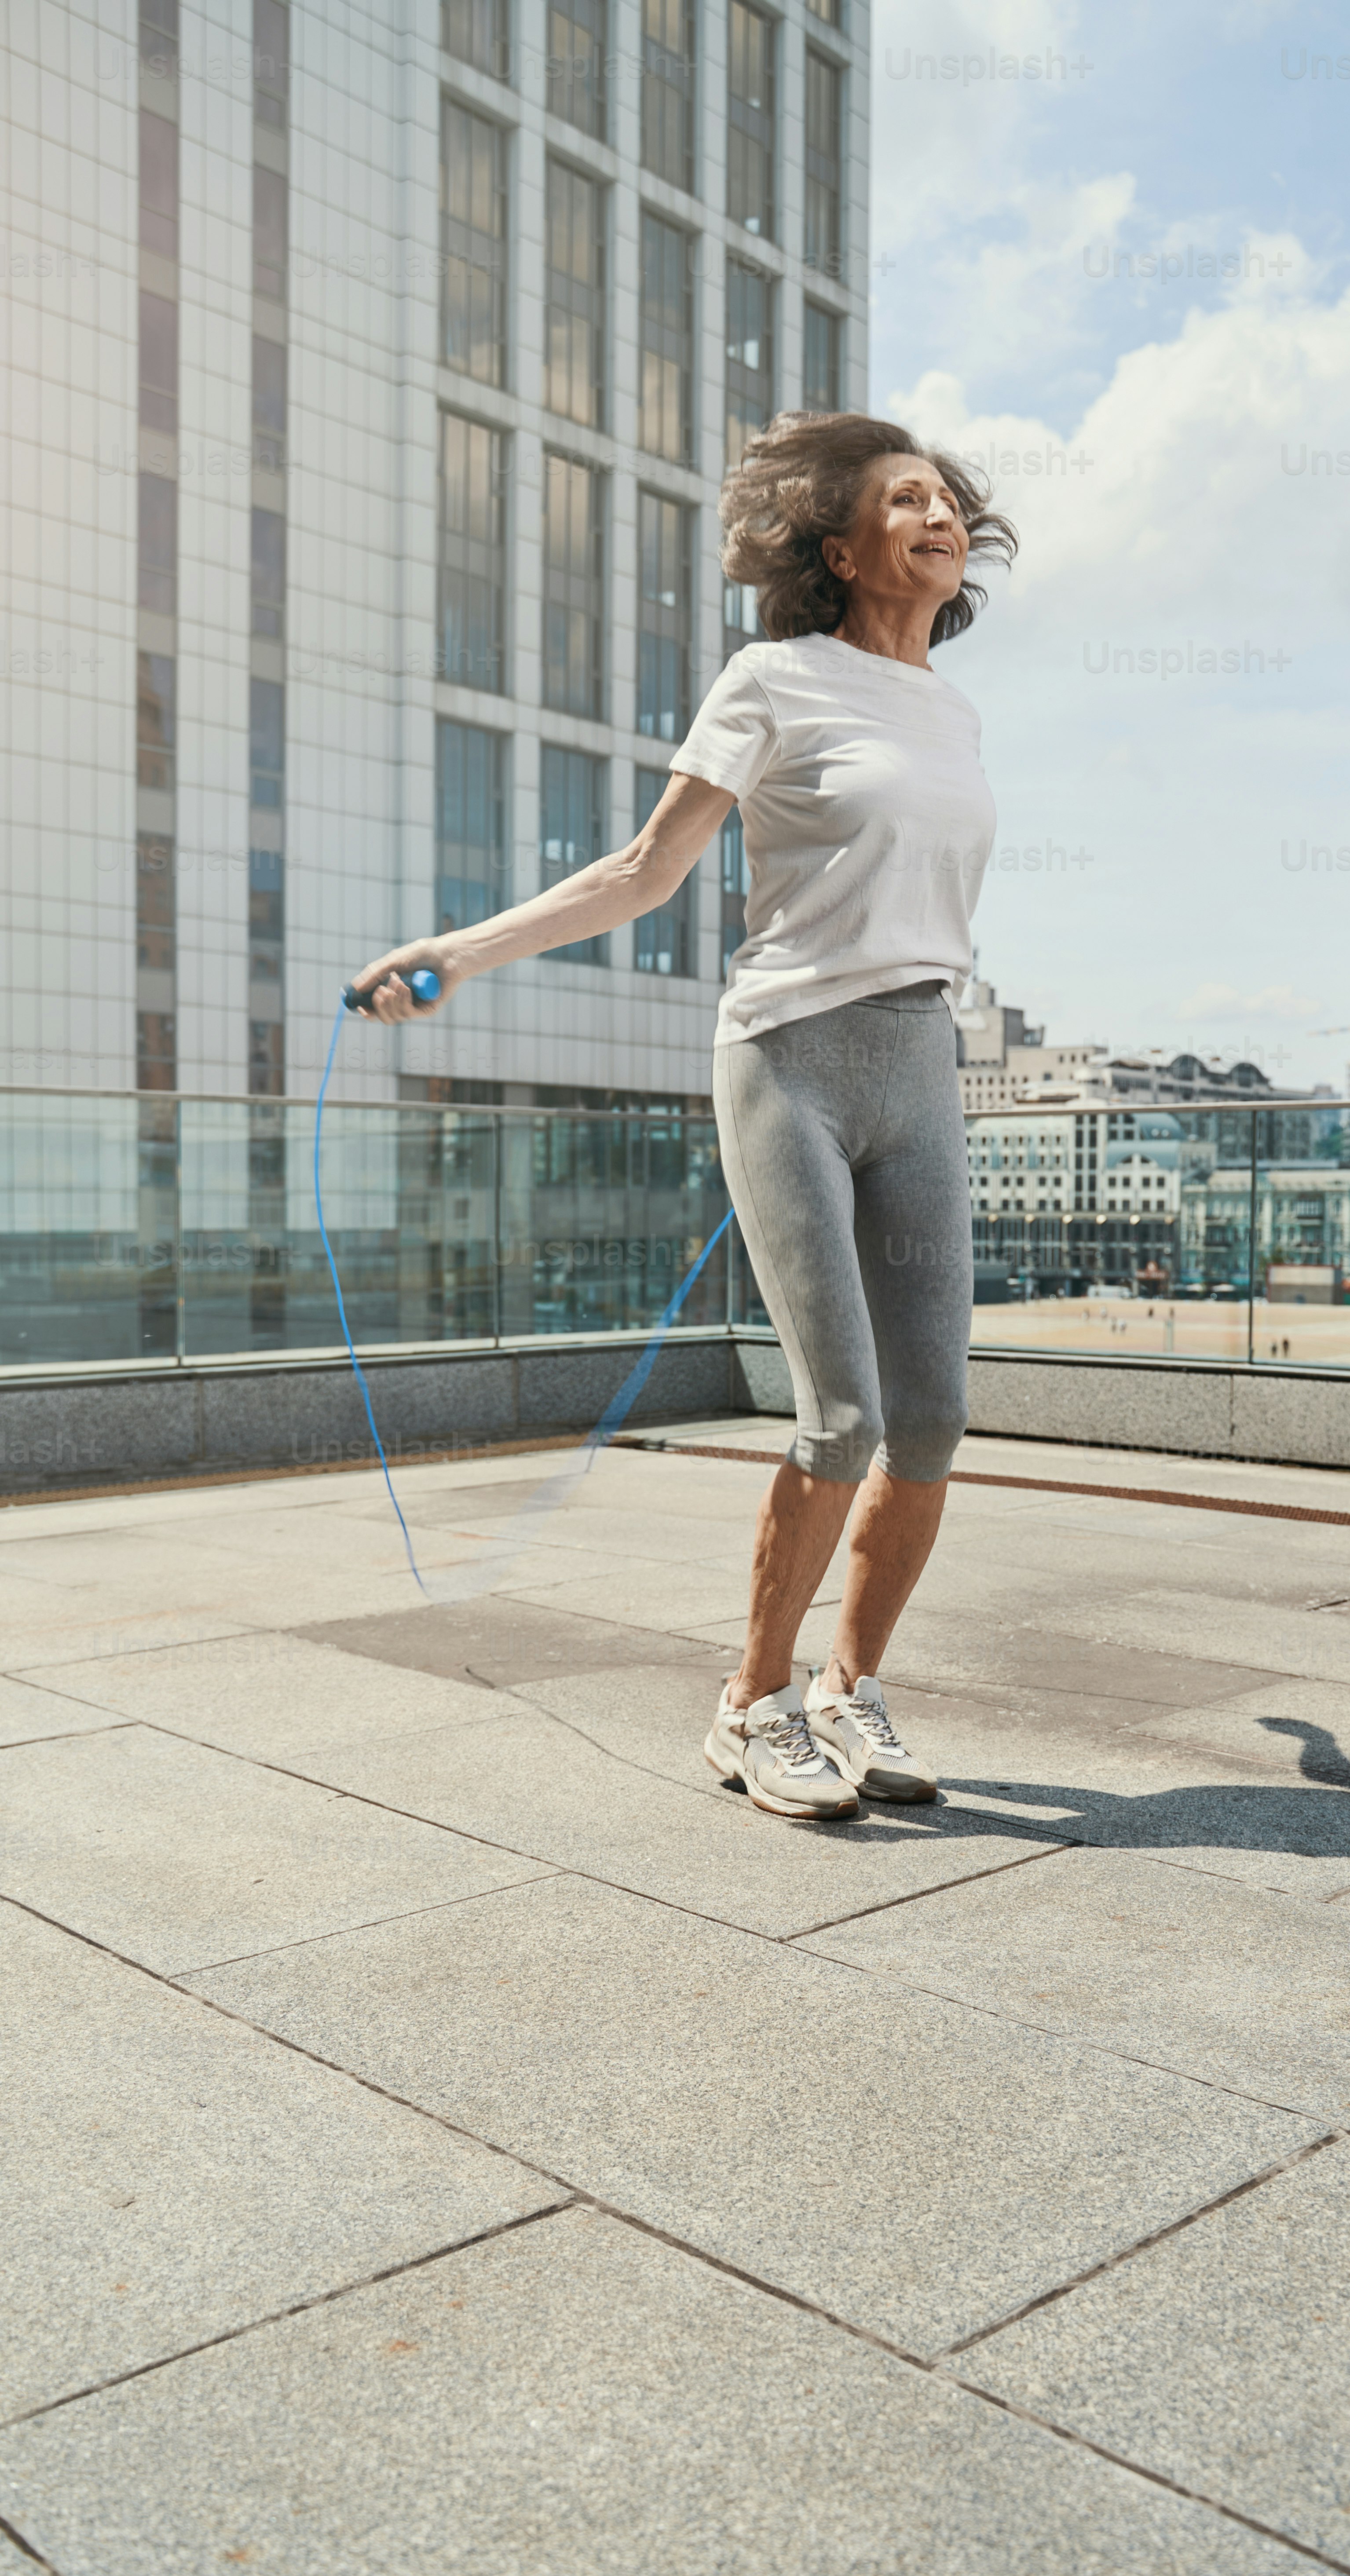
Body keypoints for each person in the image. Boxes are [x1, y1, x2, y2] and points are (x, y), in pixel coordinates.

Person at [351, 412, 1017, 1823]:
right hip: (790, 1058)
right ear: (841, 550)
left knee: (937, 1417)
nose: (939, 510)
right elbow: (646, 874)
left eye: (948, 497)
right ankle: (751, 1706)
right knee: (840, 1415)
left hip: (920, 1060)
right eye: (905, 497)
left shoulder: (953, 711)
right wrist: (455, 956)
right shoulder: (774, 678)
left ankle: (851, 1690)